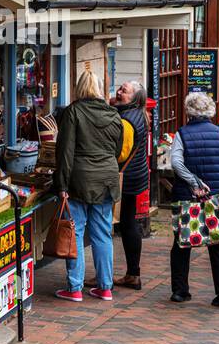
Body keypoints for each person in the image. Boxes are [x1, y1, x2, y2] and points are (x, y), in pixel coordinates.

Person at [54, 67, 123, 302]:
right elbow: (116, 149)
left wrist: (61, 184)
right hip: (107, 179)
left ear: (79, 87)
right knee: (103, 234)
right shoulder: (114, 115)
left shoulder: (73, 112)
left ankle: (75, 288)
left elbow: (65, 152)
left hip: (78, 180)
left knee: (75, 233)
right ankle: (105, 287)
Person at [168, 92, 219, 308]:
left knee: (181, 242)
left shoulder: (183, 134)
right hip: (217, 195)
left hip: (187, 195)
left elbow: (176, 163)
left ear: (188, 111)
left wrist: (193, 182)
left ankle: (180, 291)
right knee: (218, 244)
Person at [113, 80, 151, 289]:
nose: (119, 92)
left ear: (134, 98)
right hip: (137, 176)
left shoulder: (127, 120)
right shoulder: (139, 113)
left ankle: (132, 274)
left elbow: (121, 154)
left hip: (126, 179)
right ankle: (132, 273)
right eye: (120, 88)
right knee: (130, 224)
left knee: (127, 225)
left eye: (124, 91)